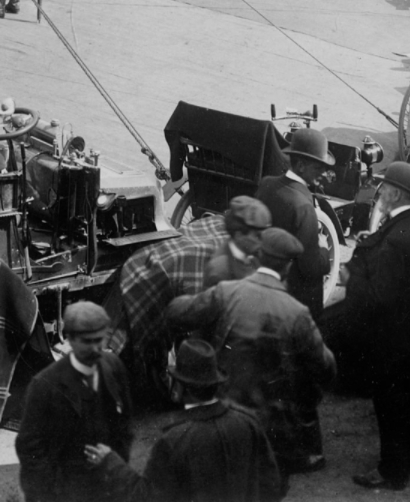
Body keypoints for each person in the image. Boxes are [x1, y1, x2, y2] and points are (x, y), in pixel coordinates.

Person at [167, 228, 335, 483]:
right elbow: (325, 367)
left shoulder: (226, 292)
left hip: (225, 415)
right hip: (275, 429)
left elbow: (178, 312)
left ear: (255, 258)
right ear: (287, 268)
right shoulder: (297, 312)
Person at [344, 163, 410, 491]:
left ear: (395, 193)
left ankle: (392, 471)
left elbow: (377, 296)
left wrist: (352, 277)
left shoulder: (395, 240)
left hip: (391, 337)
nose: (379, 192)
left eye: (384, 187)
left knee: (389, 404)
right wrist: (372, 243)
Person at [90, 339, 282, 502]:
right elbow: (271, 485)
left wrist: (111, 461)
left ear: (180, 387)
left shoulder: (175, 440)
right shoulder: (248, 422)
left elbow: (147, 497)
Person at [15, 301, 133, 502]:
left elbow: (125, 422)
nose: (97, 349)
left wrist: (116, 463)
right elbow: (30, 450)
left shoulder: (113, 366)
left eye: (100, 340)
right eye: (88, 342)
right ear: (70, 339)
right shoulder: (44, 385)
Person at [255, 128, 332, 319]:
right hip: (289, 298)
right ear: (301, 166)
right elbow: (311, 268)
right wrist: (323, 251)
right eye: (319, 167)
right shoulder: (304, 208)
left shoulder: (266, 184)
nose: (324, 173)